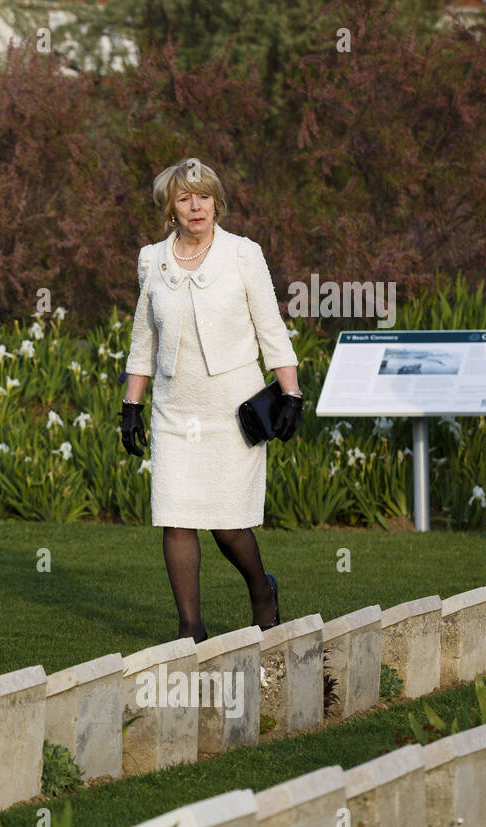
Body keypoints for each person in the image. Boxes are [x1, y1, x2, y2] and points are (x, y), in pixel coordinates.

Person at [120, 158, 302, 642]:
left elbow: (271, 328)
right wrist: (131, 406)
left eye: (202, 196)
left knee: (227, 524)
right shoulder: (152, 259)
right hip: (175, 410)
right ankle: (190, 631)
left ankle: (262, 591)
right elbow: (144, 339)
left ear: (216, 202)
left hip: (232, 411)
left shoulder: (243, 254)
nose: (195, 205)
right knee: (176, 517)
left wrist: (291, 393)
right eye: (184, 198)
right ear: (170, 209)